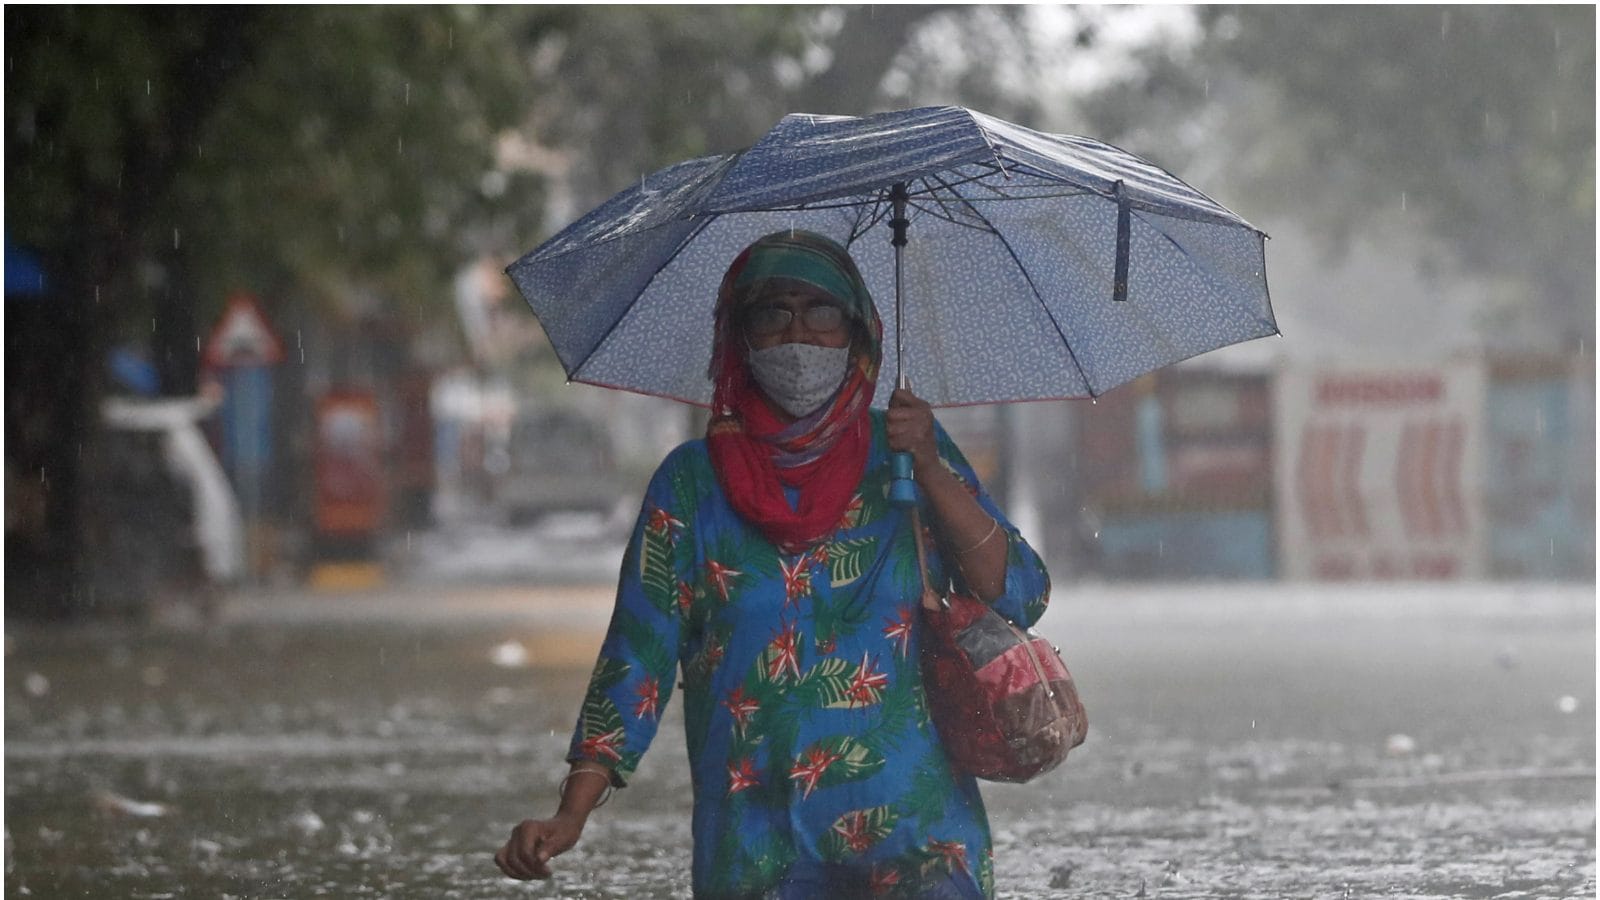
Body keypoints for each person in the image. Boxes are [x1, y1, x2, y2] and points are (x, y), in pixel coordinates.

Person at [495, 230, 1051, 899]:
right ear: (739, 337)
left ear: (858, 334)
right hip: (755, 849)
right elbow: (636, 655)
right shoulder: (691, 487)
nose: (798, 336)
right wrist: (571, 811)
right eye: (771, 313)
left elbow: (1019, 592)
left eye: (821, 312)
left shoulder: (908, 456)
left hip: (917, 842)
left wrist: (931, 468)